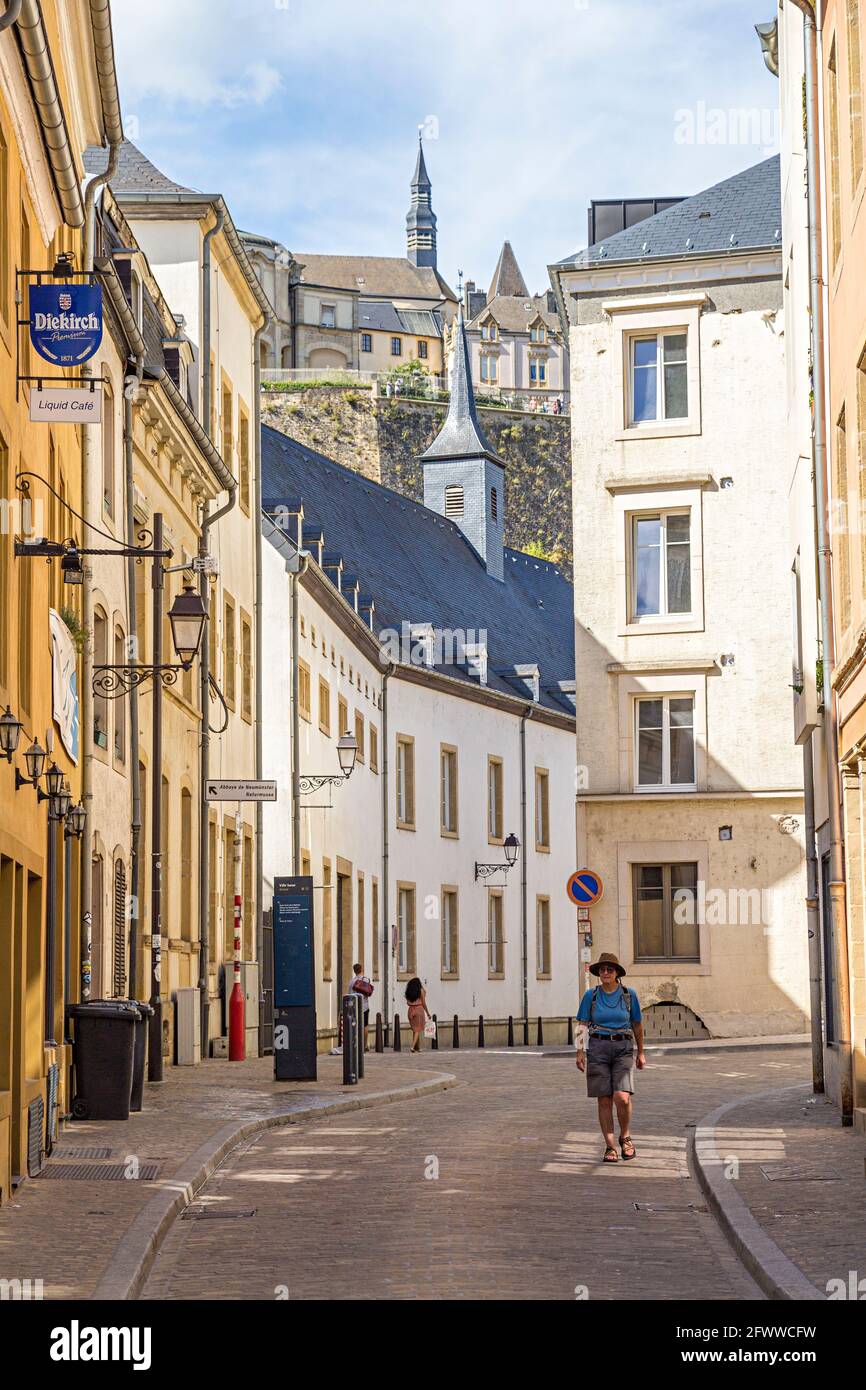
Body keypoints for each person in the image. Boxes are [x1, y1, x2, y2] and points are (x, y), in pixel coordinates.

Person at [575, 952, 646, 1163]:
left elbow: (637, 1025)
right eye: (602, 970)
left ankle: (625, 1137)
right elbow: (582, 1024)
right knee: (604, 1099)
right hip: (597, 1048)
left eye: (610, 969)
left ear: (617, 973)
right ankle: (610, 1146)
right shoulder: (591, 996)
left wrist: (641, 1052)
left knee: (622, 1097)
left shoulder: (628, 995)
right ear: (598, 973)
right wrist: (580, 1052)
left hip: (623, 1047)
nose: (606, 973)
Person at [349, 962, 373, 1049]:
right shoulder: (366, 980)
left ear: (354, 971)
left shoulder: (352, 981)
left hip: (355, 1006)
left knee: (355, 1024)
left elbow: (350, 994)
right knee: (365, 1025)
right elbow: (369, 992)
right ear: (361, 969)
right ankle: (365, 1044)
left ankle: (356, 1043)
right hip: (364, 1006)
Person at [404, 977, 429, 1052]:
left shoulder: (409, 992)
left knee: (415, 1030)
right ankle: (412, 1046)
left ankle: (417, 1047)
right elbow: (424, 1003)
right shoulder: (421, 991)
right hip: (419, 1009)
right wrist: (427, 1013)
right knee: (417, 1030)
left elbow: (407, 1001)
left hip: (410, 1010)